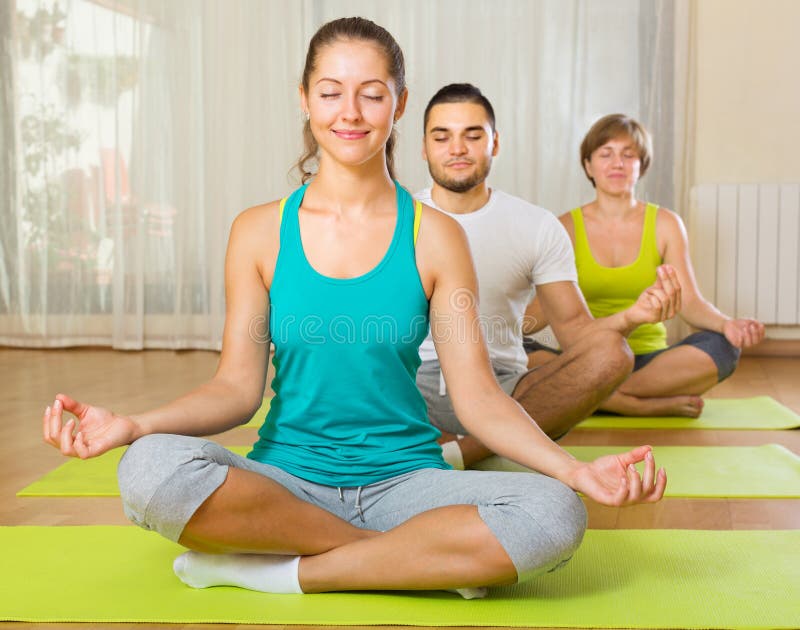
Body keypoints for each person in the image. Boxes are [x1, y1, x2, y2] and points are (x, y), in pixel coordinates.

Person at [42, 18, 666, 599]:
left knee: (555, 512)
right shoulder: (258, 232)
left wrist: (575, 472)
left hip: (407, 481)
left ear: (398, 103)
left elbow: (477, 399)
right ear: (305, 98)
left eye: (372, 93)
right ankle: (410, 560)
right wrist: (135, 425)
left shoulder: (435, 235)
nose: (350, 112)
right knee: (150, 467)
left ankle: (277, 571)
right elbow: (235, 389)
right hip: (285, 479)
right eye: (331, 91)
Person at [415, 84, 682, 468]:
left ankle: (464, 451)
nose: (457, 148)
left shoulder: (535, 225)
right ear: (425, 147)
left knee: (612, 354)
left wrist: (632, 317)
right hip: (410, 384)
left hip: (503, 387)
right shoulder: (397, 216)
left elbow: (574, 331)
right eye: (442, 137)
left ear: (495, 143)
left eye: (473, 135)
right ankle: (482, 444)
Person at [541, 113, 765, 417]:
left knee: (723, 348)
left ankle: (600, 398)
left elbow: (689, 301)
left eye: (628, 154)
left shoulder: (666, 224)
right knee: (518, 355)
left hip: (650, 363)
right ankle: (631, 405)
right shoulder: (564, 227)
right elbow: (545, 310)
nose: (617, 163)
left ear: (641, 165)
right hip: (586, 360)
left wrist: (727, 324)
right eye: (606, 154)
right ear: (588, 165)